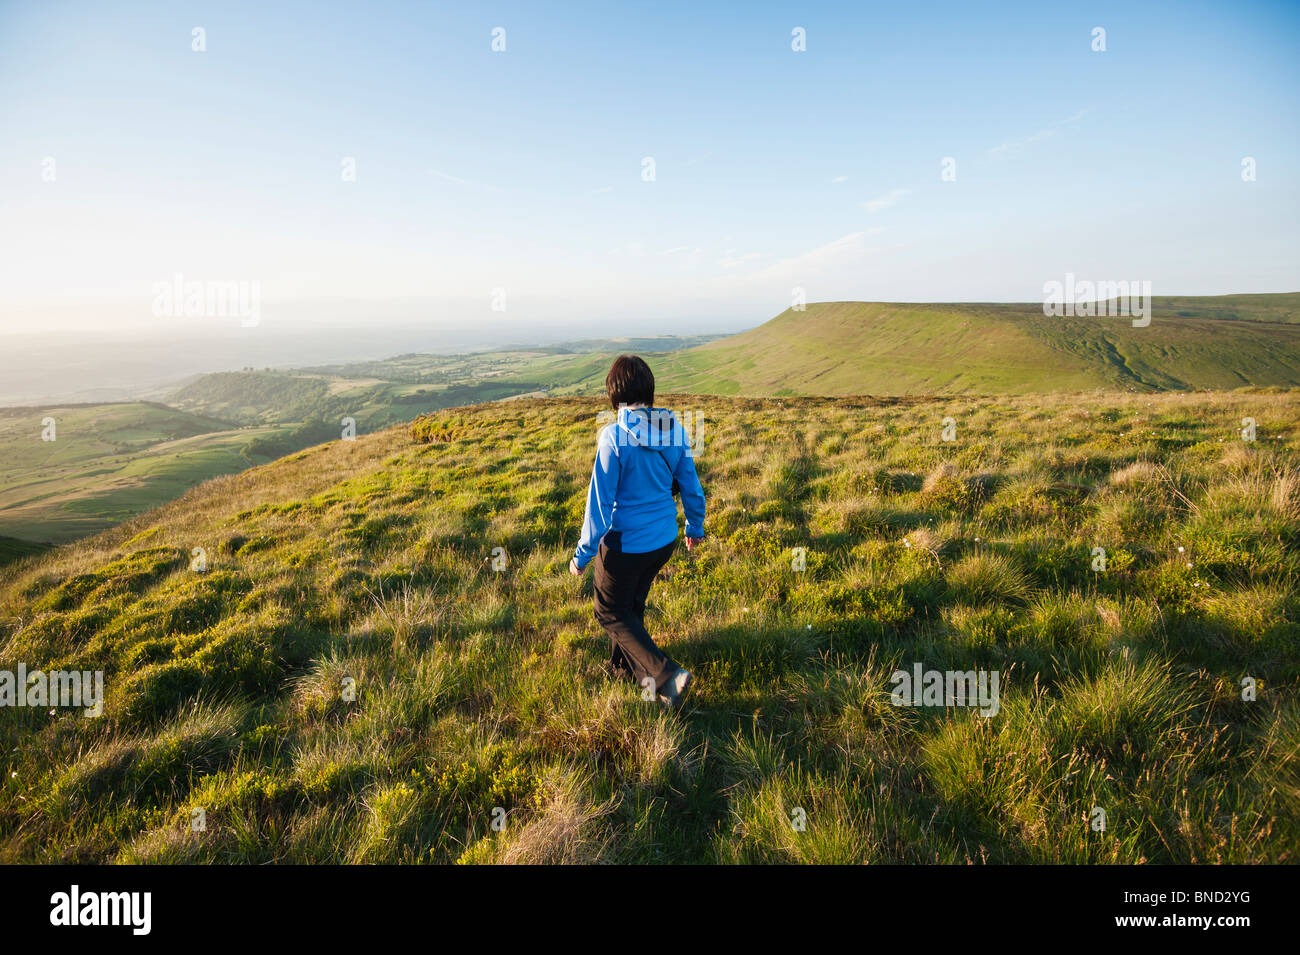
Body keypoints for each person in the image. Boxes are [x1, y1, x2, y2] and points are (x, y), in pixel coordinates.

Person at [569, 355, 706, 709]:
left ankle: (667, 677)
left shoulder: (613, 436)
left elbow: (599, 505)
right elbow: (690, 483)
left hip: (625, 544)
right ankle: (621, 670)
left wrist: (581, 556)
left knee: (609, 611)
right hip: (663, 540)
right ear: (648, 389)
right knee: (630, 606)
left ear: (615, 395)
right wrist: (694, 524)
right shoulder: (674, 428)